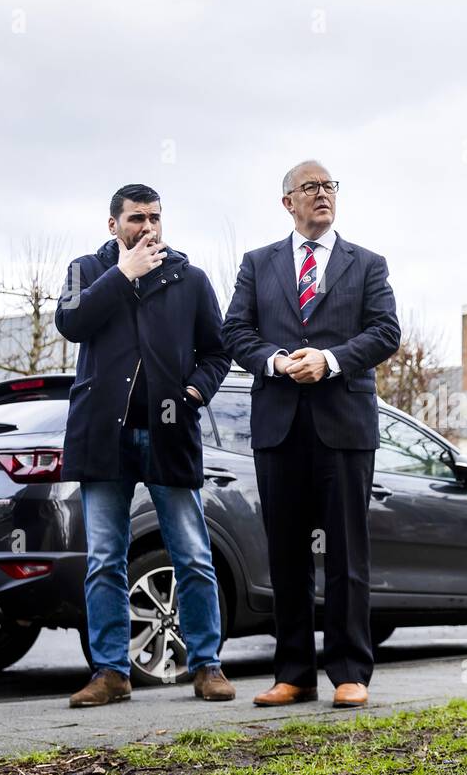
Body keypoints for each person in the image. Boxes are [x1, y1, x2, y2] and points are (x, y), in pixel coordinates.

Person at [221, 160, 400, 710]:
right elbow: (234, 331)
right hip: (279, 427)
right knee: (286, 555)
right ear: (288, 203)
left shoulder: (367, 264)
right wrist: (275, 362)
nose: (322, 195)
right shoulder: (258, 264)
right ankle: (293, 673)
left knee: (347, 553)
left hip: (343, 427)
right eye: (310, 188)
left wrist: (329, 359)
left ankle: (350, 671)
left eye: (329, 187)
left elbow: (386, 332)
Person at [55, 184, 233, 708]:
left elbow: (217, 351)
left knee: (194, 556)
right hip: (102, 437)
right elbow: (72, 321)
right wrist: (122, 275)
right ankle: (110, 673)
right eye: (136, 218)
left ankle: (206, 665)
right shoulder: (86, 271)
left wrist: (195, 391)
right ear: (113, 225)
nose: (148, 228)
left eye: (155, 217)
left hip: (169, 435)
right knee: (105, 559)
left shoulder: (190, 279)